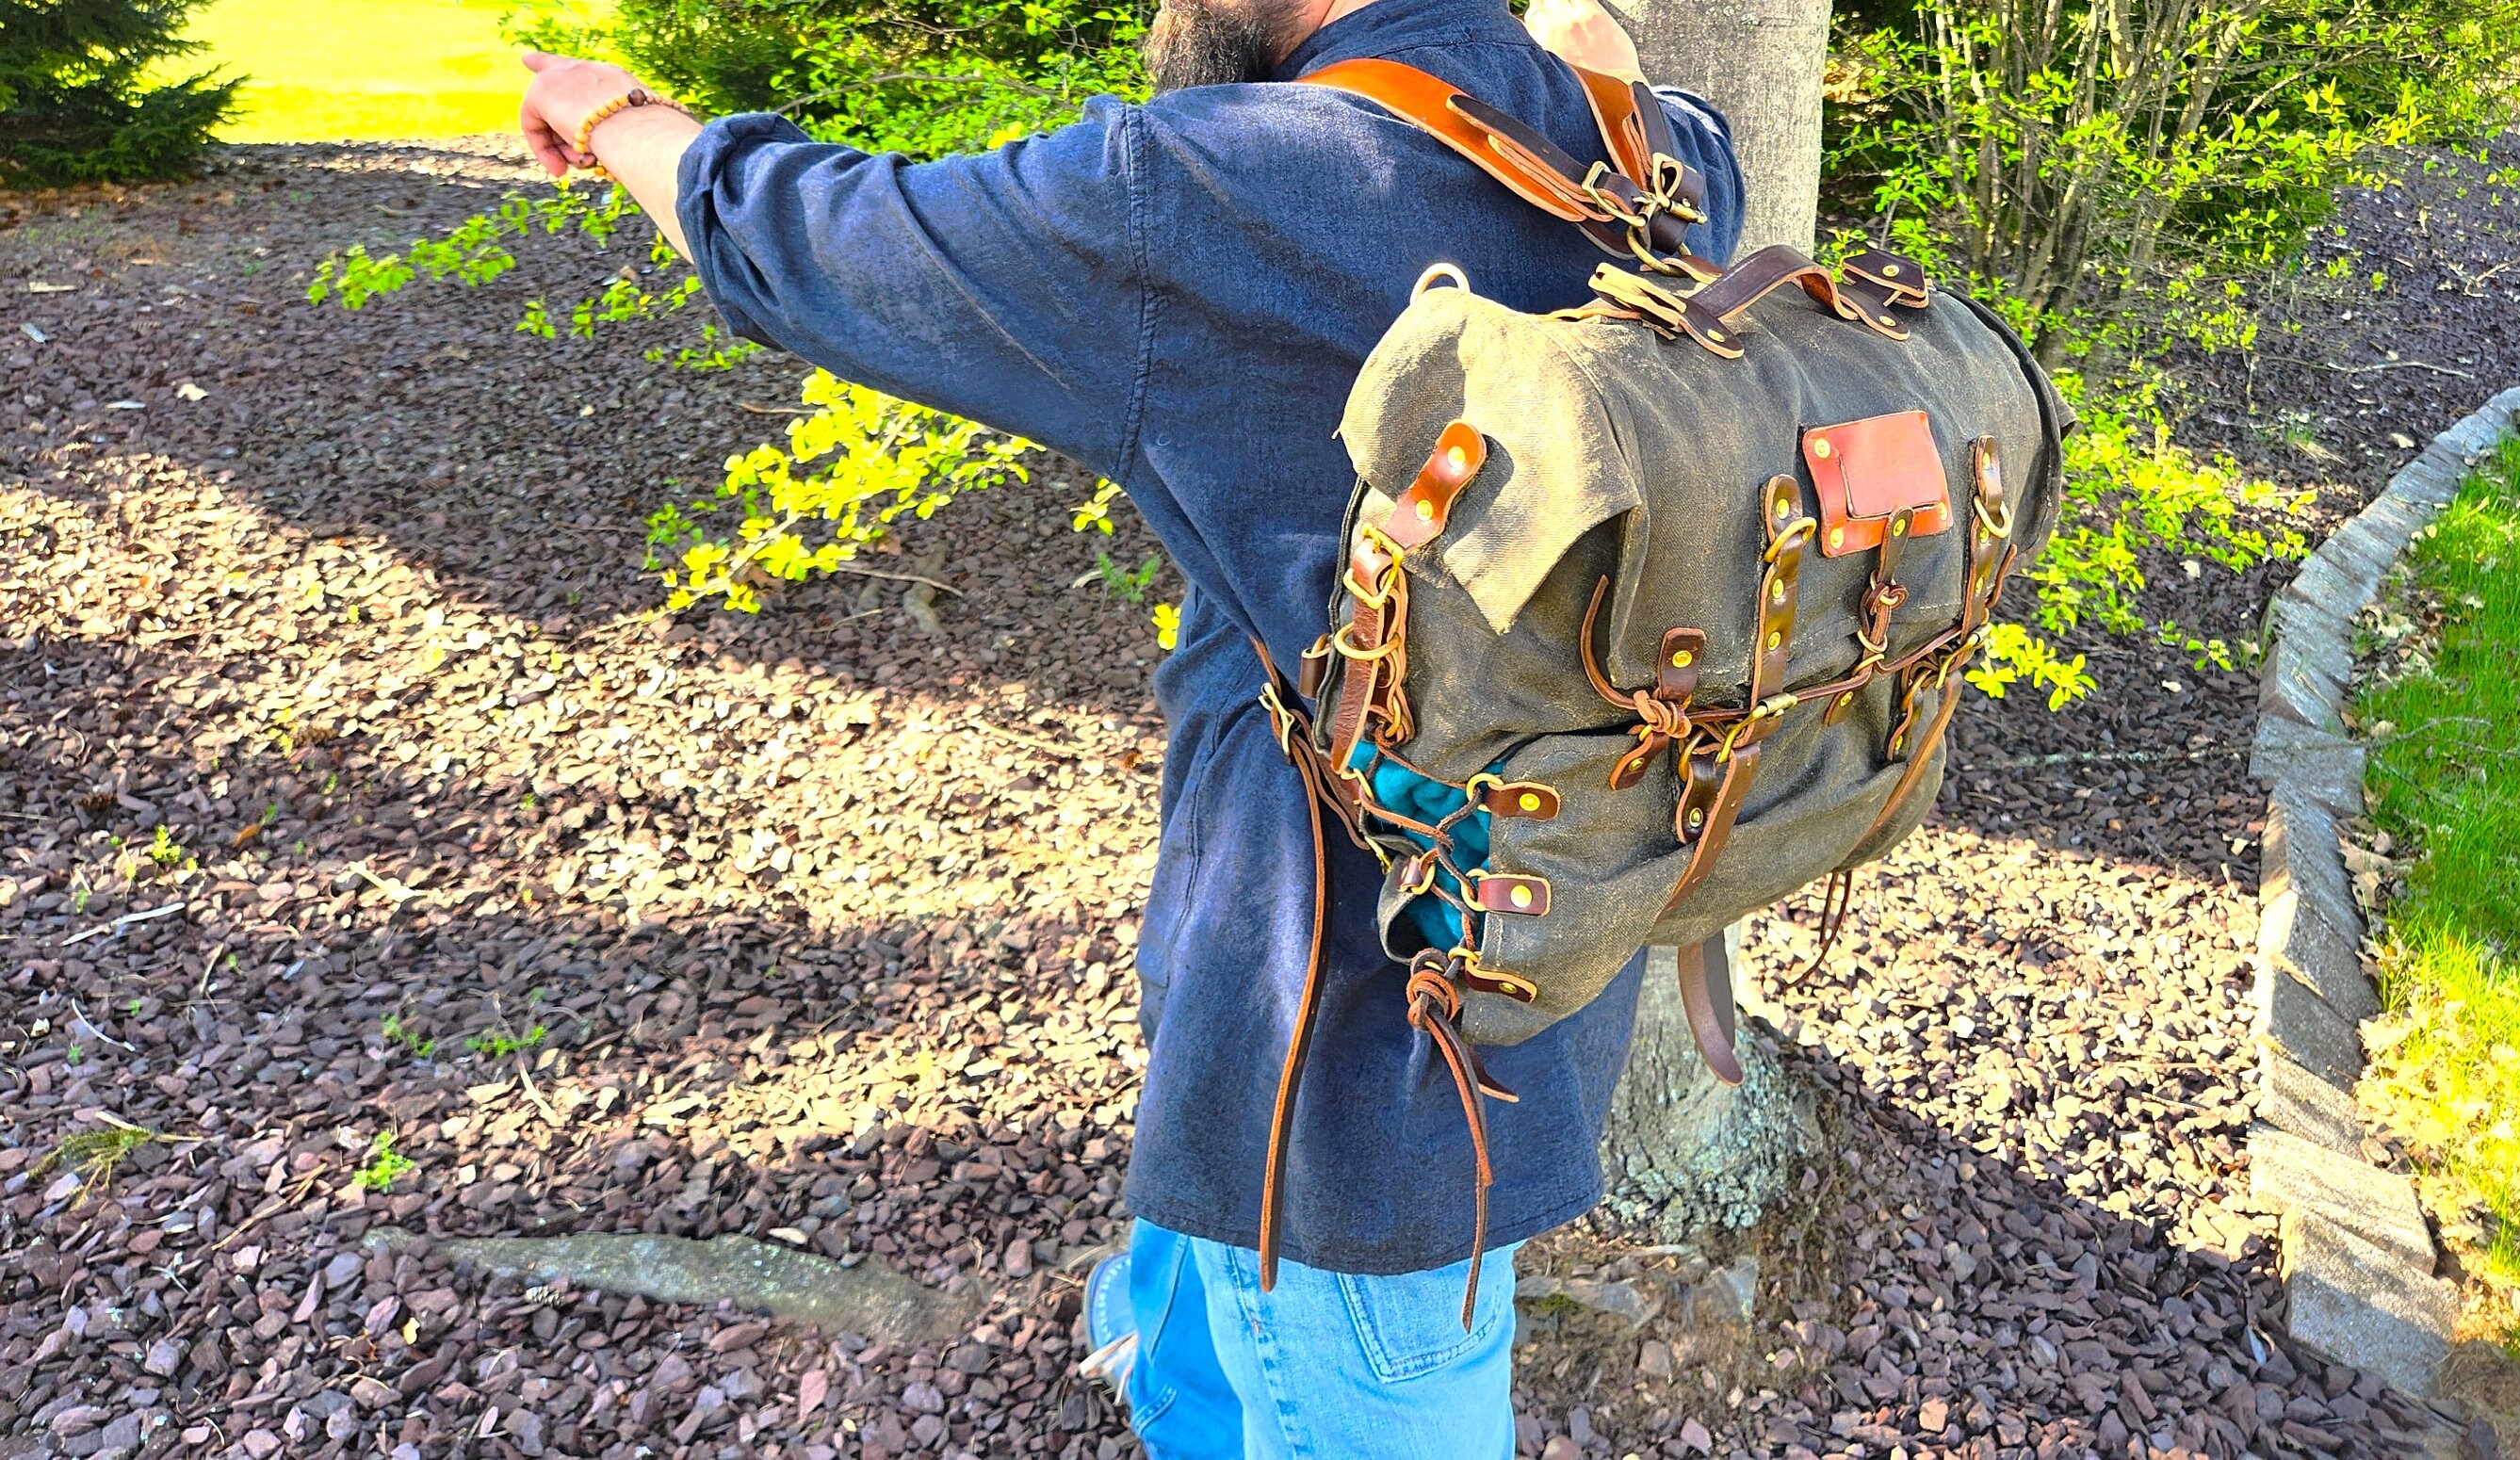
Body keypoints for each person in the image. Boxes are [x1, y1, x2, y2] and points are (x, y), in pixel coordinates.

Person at [515, 2, 1746, 1453]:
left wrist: (614, 117)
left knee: (1365, 1367)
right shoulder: (1657, 149)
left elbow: (828, 243)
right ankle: (1167, 1358)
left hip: (1354, 1090)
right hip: (1545, 927)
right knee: (1201, 1303)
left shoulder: (1211, 194)